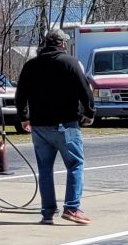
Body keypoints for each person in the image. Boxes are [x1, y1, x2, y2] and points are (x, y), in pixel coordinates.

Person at [15, 28, 93, 224]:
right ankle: (72, 207)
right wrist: (89, 113)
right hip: (66, 125)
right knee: (75, 164)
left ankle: (48, 212)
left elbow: (20, 94)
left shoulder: (31, 65)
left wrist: (24, 117)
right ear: (62, 44)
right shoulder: (70, 63)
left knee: (45, 170)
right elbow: (85, 91)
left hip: (39, 126)